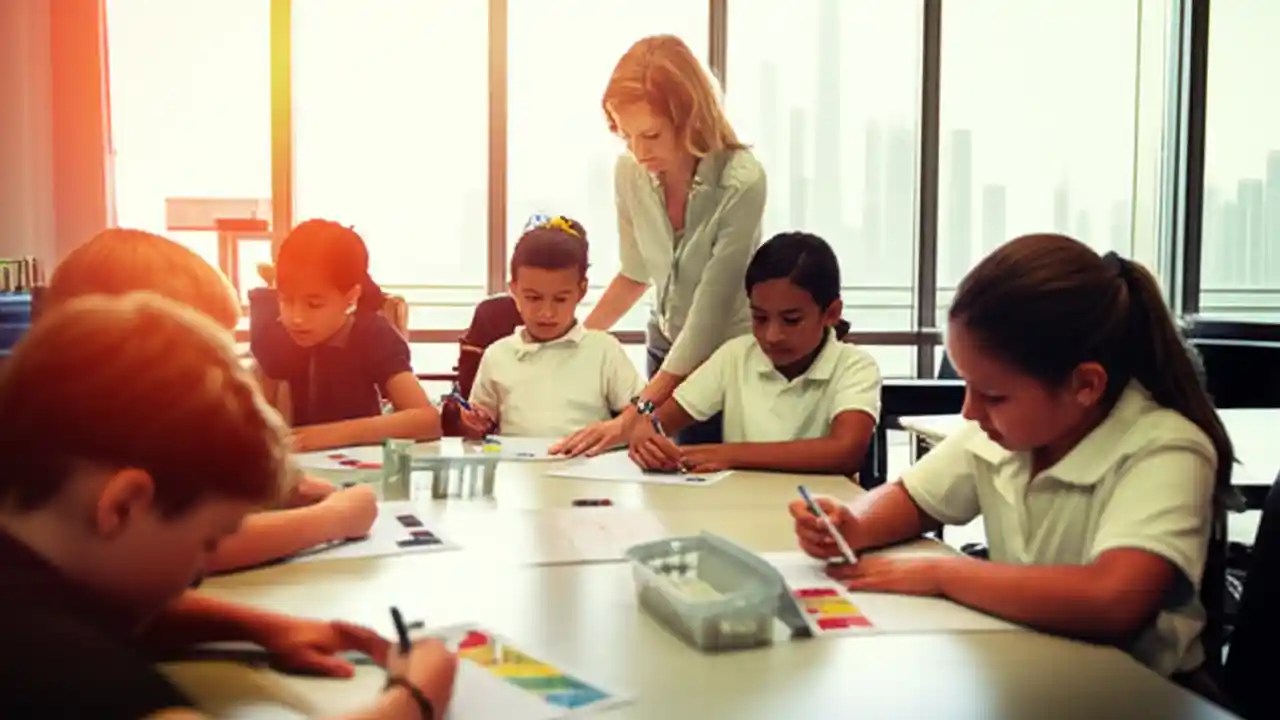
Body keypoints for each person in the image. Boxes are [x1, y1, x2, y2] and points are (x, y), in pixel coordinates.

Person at [790, 234, 1232, 682]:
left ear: (1085, 386)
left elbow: (1111, 600)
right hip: (1036, 669)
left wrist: (946, 575)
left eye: (993, 395)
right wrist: (851, 523)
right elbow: (913, 497)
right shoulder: (1006, 432)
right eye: (967, 385)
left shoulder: (1167, 448)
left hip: (1141, 692)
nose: (969, 410)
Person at [0, 292, 456, 719]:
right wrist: (416, 696)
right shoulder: (59, 667)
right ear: (123, 506)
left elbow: (91, 606)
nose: (200, 572)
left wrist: (261, 627)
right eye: (208, 540)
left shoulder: (33, 557)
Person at [43, 228, 377, 573]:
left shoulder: (128, 425)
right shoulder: (77, 453)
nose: (222, 376)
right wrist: (335, 518)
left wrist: (271, 487)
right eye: (205, 361)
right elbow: (194, 543)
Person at [552, 34, 767, 456]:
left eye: (650, 134)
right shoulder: (630, 173)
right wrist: (571, 342)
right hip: (666, 349)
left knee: (715, 477)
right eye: (626, 135)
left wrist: (639, 410)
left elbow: (710, 310)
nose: (638, 150)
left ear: (691, 118)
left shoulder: (741, 181)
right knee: (663, 481)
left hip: (728, 359)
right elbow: (636, 271)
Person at [628, 232, 880, 476]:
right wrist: (648, 436)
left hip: (819, 512)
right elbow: (659, 422)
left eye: (791, 320)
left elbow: (846, 452)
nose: (772, 335)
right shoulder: (736, 355)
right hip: (741, 509)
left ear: (831, 313)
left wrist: (728, 455)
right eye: (759, 318)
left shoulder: (854, 366)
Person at [251, 220, 442, 451]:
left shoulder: (371, 334)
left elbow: (427, 420)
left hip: (362, 468)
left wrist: (323, 436)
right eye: (286, 300)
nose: (296, 317)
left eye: (314, 304)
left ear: (351, 297)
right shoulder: (276, 335)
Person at [459, 216, 643, 439]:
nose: (546, 312)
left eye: (560, 299)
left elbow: (641, 415)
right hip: (515, 469)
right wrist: (471, 423)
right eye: (533, 298)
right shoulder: (498, 355)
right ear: (514, 290)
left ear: (581, 290)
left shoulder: (604, 350)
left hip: (589, 466)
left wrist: (623, 427)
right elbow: (479, 425)